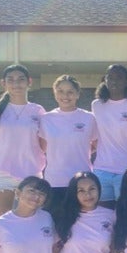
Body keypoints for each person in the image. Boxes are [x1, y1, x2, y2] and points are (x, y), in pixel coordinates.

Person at [0, 64, 45, 218]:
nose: (16, 83)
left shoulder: (38, 111)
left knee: (31, 226)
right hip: (1, 175)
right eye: (10, 80)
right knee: (3, 229)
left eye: (21, 79)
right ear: (3, 83)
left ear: (29, 82)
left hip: (31, 175)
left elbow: (45, 146)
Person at [39, 74, 98, 212]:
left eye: (70, 91)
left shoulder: (89, 118)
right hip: (54, 181)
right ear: (55, 93)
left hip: (82, 183)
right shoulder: (46, 119)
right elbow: (42, 147)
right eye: (60, 91)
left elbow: (95, 144)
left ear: (77, 94)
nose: (65, 95)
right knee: (56, 226)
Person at [91, 64, 127, 207]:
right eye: (110, 78)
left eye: (119, 78)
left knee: (124, 213)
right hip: (101, 170)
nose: (114, 81)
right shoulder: (97, 105)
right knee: (103, 215)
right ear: (105, 80)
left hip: (126, 171)